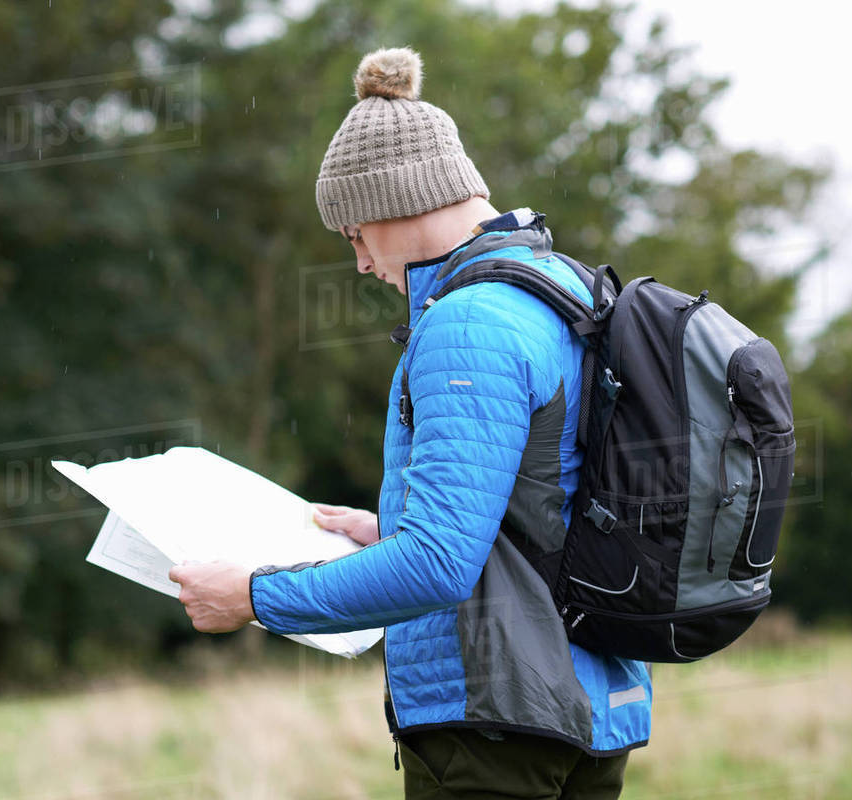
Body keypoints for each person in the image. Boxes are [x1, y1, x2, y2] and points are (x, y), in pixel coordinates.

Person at [168, 46, 651, 799]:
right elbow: (544, 505)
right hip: (583, 703)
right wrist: (392, 524)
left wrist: (254, 596)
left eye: (355, 234)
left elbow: (436, 567)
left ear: (398, 201)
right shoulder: (561, 287)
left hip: (494, 726)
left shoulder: (469, 324)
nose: (359, 262)